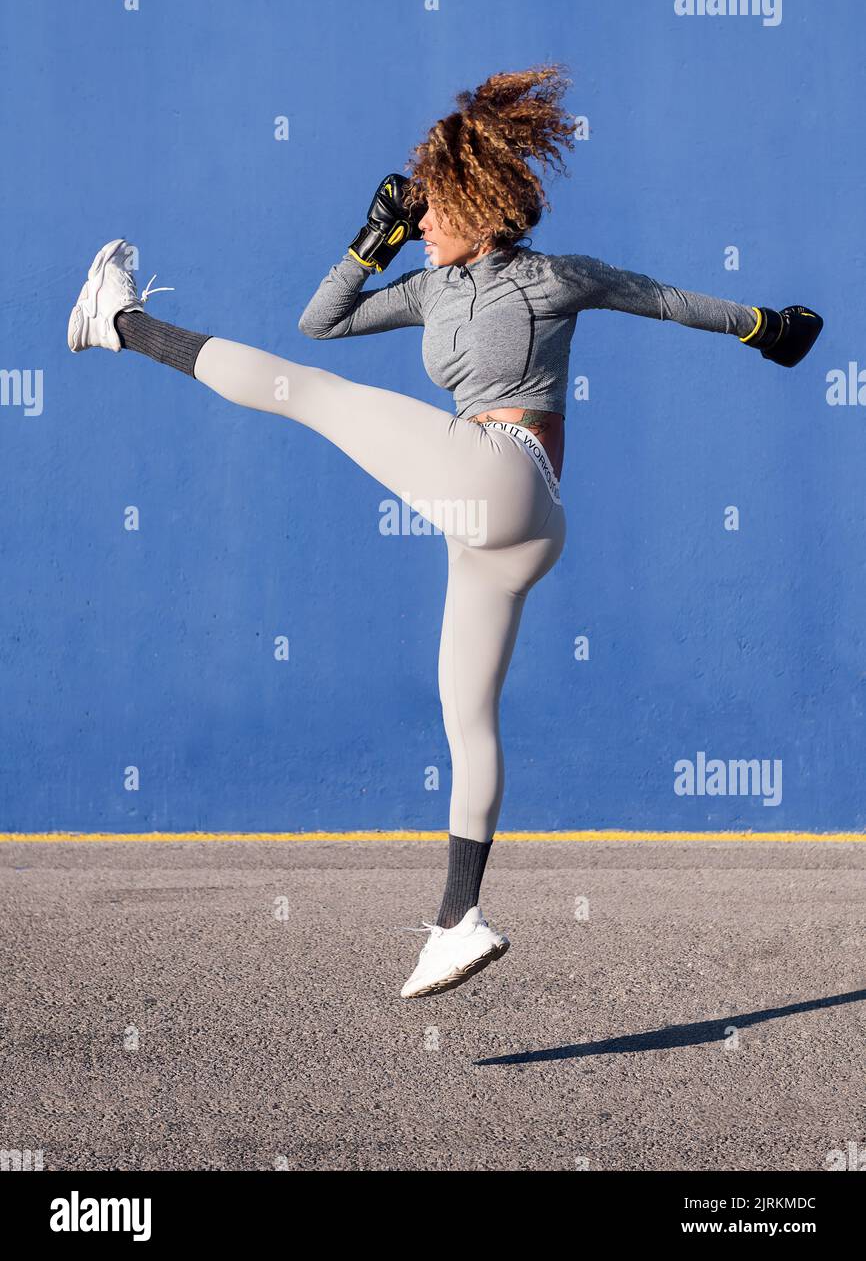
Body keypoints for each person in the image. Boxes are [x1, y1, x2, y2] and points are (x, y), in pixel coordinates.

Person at [66, 65, 823, 999]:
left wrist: (764, 324)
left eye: (431, 211)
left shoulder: (552, 278)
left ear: (479, 203)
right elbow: (321, 322)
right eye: (414, 215)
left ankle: (122, 323)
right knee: (465, 715)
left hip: (505, 474)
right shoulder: (431, 291)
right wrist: (369, 243)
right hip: (506, 535)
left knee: (314, 403)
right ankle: (459, 920)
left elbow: (661, 297)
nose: (421, 224)